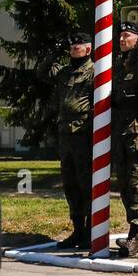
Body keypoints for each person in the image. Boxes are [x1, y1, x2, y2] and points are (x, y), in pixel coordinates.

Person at [49, 30, 95, 249]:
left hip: (83, 135)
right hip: (66, 135)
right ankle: (77, 229)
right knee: (70, 184)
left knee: (86, 184)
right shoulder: (65, 71)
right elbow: (42, 72)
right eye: (71, 45)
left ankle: (90, 231)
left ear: (88, 48)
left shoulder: (94, 71)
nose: (73, 48)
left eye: (77, 45)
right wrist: (54, 51)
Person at [112, 23, 138, 257]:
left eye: (126, 35)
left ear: (137, 39)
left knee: (137, 183)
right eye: (120, 35)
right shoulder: (119, 63)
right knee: (125, 185)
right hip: (120, 132)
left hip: (136, 135)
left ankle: (135, 234)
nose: (121, 39)